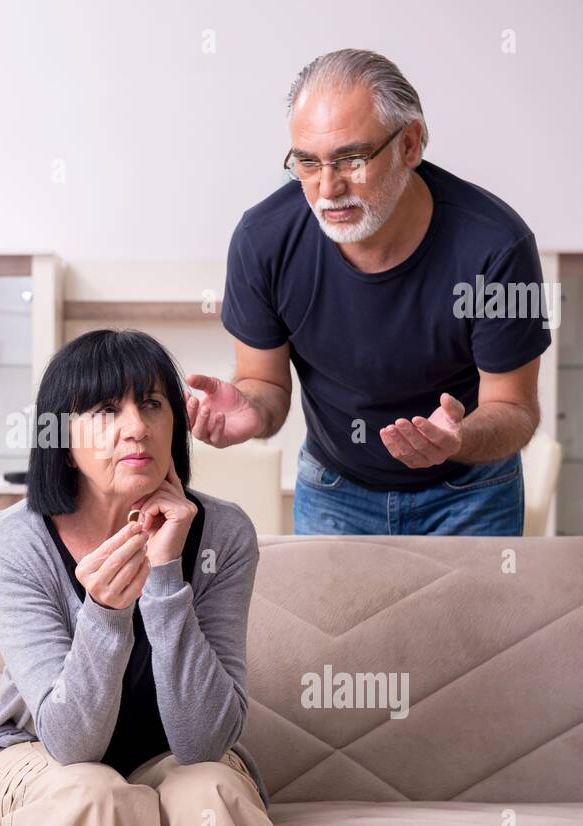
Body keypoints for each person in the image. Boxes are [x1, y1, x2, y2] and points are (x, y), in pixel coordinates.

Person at [0, 328, 306, 826]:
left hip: (175, 758)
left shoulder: (223, 533)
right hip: (37, 755)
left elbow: (204, 743)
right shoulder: (15, 541)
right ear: (61, 439)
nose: (137, 428)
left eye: (152, 404)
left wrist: (167, 577)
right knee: (94, 795)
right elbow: (71, 745)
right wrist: (103, 614)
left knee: (209, 795)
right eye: (106, 409)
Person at [188, 48, 551, 535]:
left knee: (473, 617)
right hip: (334, 491)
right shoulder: (262, 241)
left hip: (471, 494)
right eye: (307, 164)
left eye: (351, 159)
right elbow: (266, 383)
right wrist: (251, 410)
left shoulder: (498, 247)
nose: (328, 188)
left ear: (410, 144)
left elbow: (516, 411)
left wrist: (457, 439)